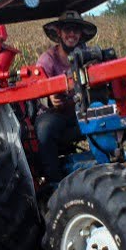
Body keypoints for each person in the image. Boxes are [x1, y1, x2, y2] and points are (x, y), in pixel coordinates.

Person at [33, 10, 97, 183]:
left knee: (107, 116)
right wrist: (50, 99)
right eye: (67, 29)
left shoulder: (89, 54)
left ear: (81, 34)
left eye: (76, 30)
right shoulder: (47, 59)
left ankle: (105, 165)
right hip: (55, 113)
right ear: (59, 33)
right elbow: (37, 89)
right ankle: (55, 183)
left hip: (83, 108)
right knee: (45, 130)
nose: (72, 34)